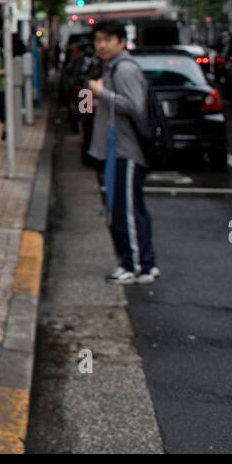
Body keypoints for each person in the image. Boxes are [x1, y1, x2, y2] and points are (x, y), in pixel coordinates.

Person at [87, 19, 159, 284]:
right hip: (118, 150)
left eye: (108, 40)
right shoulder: (111, 68)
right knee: (130, 208)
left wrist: (102, 94)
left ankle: (134, 265)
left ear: (120, 42)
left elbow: (134, 107)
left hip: (126, 151)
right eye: (98, 40)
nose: (102, 45)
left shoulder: (124, 69)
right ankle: (145, 263)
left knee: (125, 211)